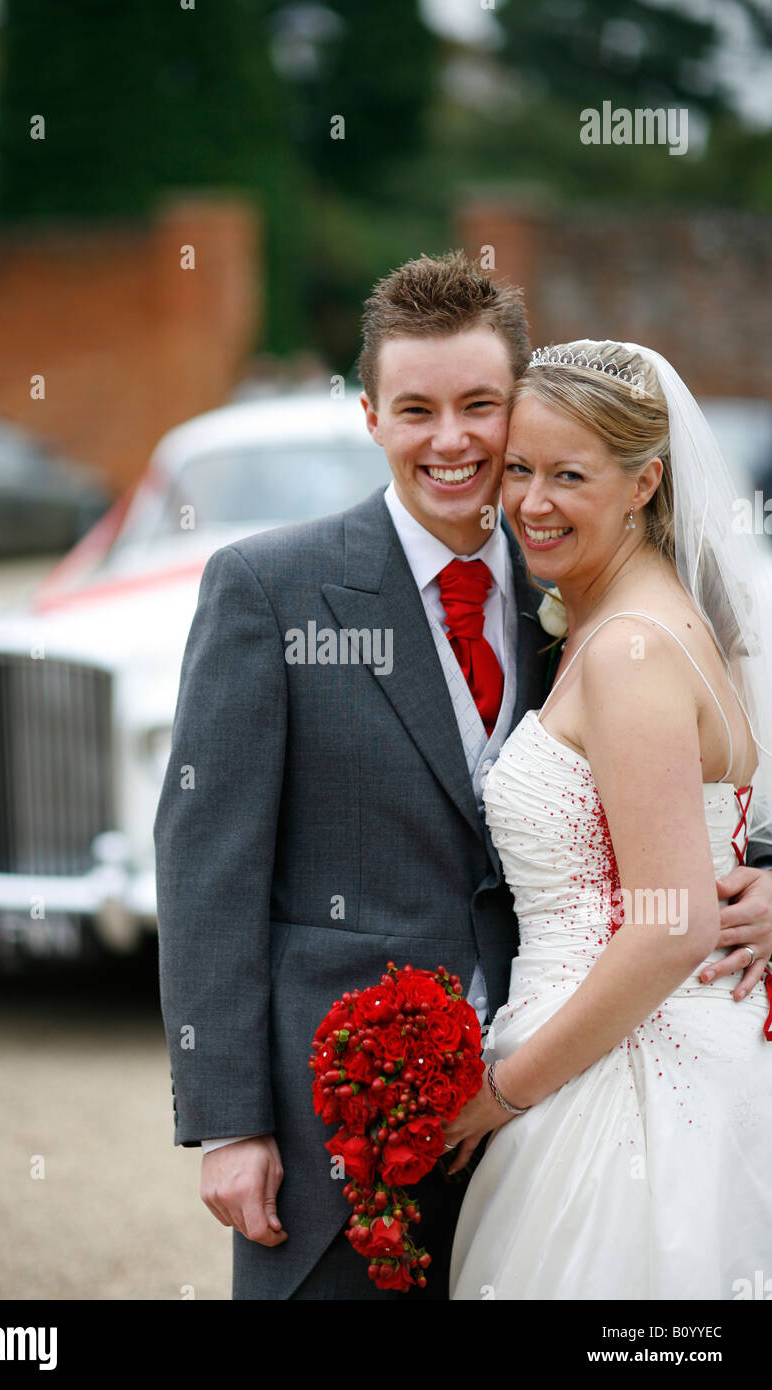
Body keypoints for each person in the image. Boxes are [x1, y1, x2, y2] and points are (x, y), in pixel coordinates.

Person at [154, 259, 772, 1301]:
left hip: (555, 1098)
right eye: (415, 409)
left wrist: (758, 871)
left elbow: (701, 760)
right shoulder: (268, 589)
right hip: (349, 1128)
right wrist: (230, 1120)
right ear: (369, 416)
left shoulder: (573, 588)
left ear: (518, 408)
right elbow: (206, 868)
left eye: (478, 406)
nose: (451, 441)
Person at [447, 339, 772, 1300]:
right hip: (619, 1045)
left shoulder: (629, 649)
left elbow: (671, 927)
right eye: (518, 470)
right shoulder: (618, 614)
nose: (531, 502)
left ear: (645, 484)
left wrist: (497, 1097)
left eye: (568, 475)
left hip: (628, 1081)